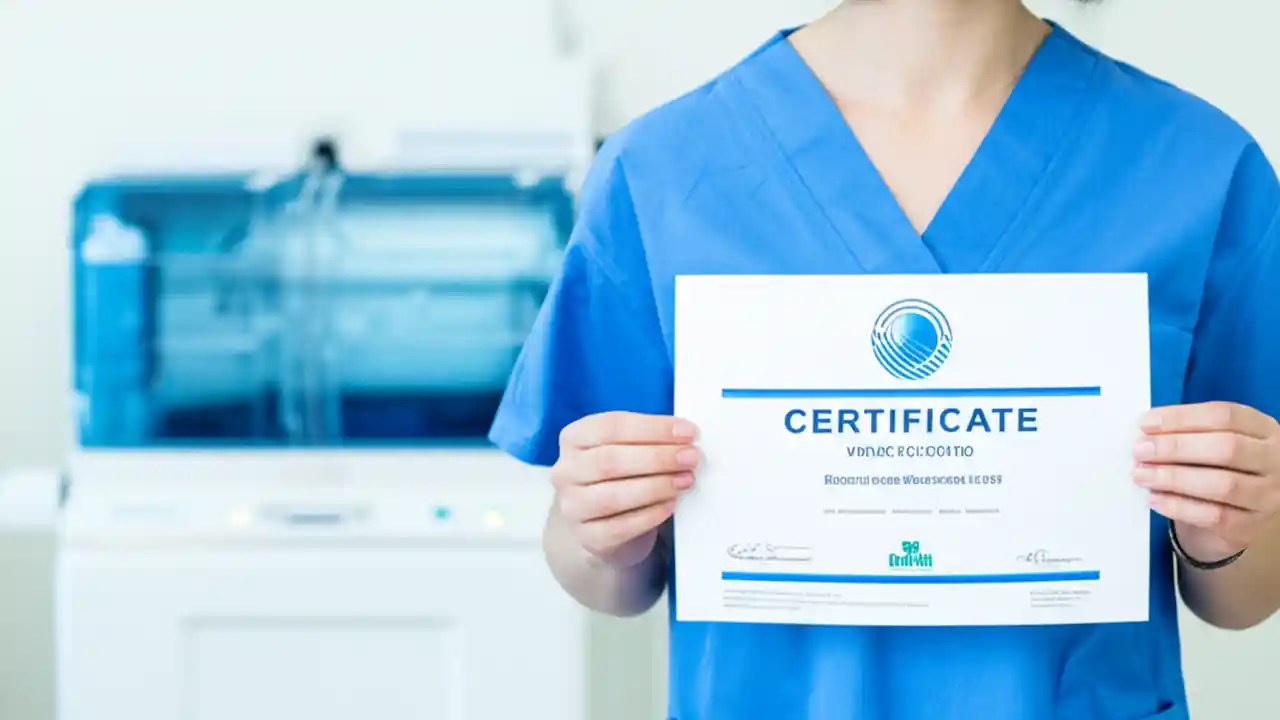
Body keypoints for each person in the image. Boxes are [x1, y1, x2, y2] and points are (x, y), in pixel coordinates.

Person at [489, 1, 1280, 718]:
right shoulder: (660, 170)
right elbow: (604, 574)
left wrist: (1228, 532)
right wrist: (603, 535)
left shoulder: (1199, 167)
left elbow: (1245, 594)